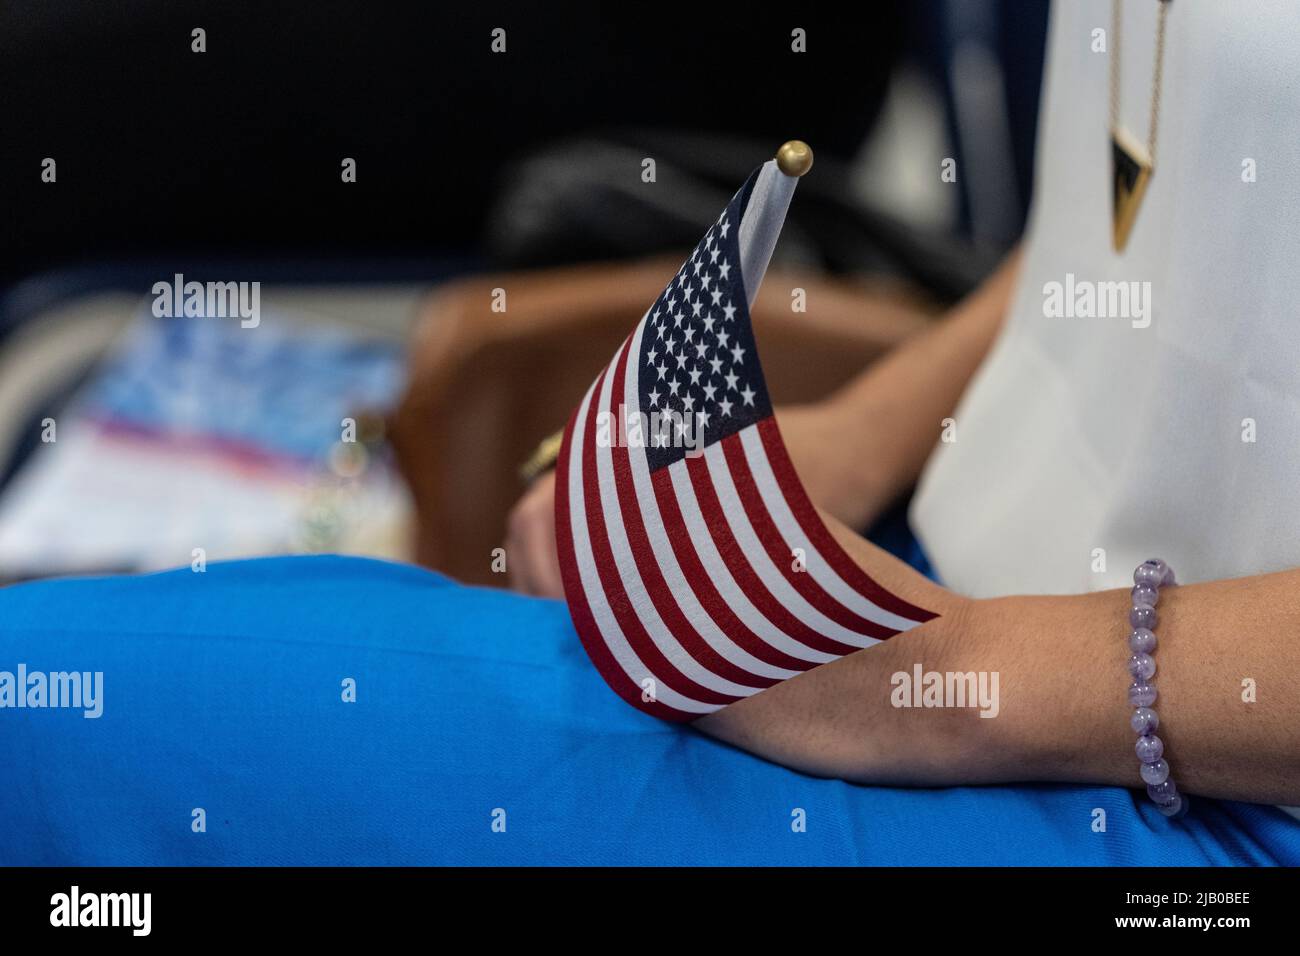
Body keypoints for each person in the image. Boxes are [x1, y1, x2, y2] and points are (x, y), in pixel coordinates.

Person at [505, 0, 1300, 811]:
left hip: (1199, 777)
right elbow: (1138, 217)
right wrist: (859, 437)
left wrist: (960, 677)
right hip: (949, 575)